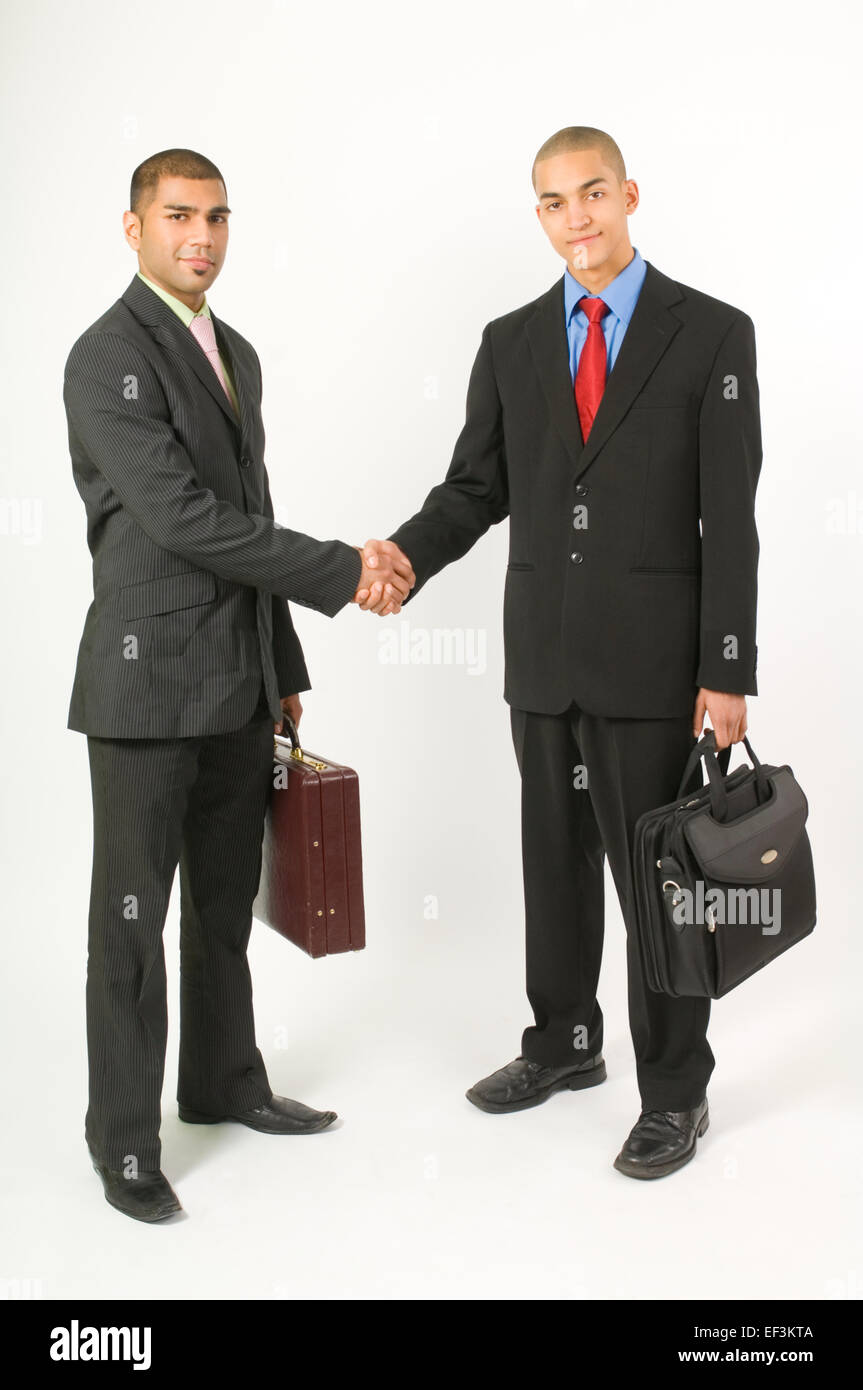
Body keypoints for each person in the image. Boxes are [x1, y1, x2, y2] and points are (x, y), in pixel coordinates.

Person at [358, 125, 761, 1180]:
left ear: (627, 195)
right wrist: (403, 555)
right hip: (541, 655)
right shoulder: (510, 341)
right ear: (535, 214)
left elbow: (730, 515)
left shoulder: (711, 334)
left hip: (655, 668)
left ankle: (673, 1094)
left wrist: (725, 668)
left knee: (659, 885)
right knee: (552, 865)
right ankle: (563, 1045)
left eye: (590, 194)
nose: (574, 218)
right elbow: (474, 490)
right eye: (551, 202)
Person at [63, 147, 414, 1222]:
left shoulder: (238, 354)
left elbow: (247, 512)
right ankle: (124, 1142)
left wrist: (283, 667)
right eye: (176, 217)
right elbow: (182, 520)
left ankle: (221, 1082)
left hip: (234, 682)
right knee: (131, 921)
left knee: (219, 907)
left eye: (215, 216)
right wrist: (340, 572)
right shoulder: (105, 357)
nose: (199, 236)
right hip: (143, 685)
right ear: (134, 229)